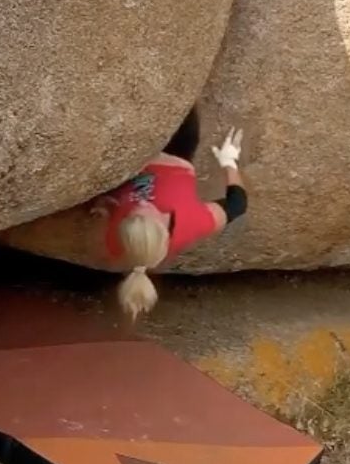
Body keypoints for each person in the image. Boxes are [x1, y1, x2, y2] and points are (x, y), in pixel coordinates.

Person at [89, 105, 248, 321]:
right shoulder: (189, 223)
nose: (141, 206)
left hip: (135, 157)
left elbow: (109, 213)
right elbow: (237, 204)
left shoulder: (115, 241)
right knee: (182, 104)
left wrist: (105, 205)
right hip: (177, 150)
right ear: (163, 230)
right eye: (147, 214)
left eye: (132, 216)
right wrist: (229, 162)